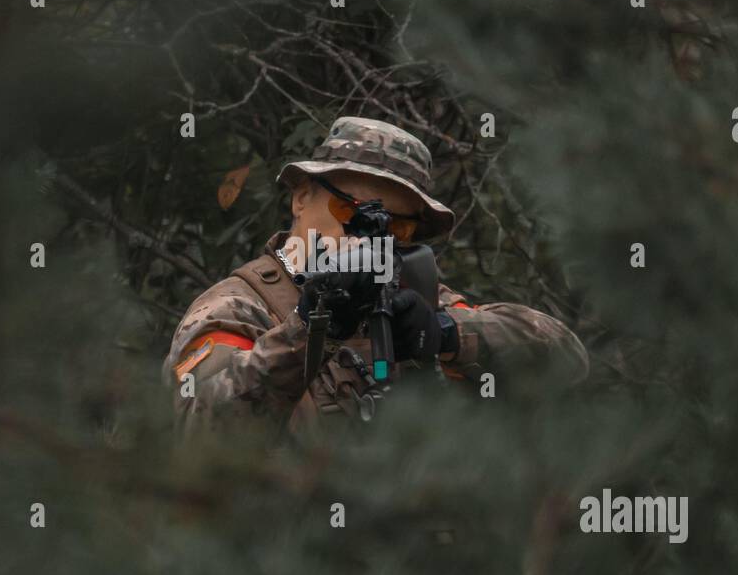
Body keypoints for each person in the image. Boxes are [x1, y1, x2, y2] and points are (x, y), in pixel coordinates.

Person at [162, 116, 588, 437]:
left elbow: (566, 360)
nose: (371, 238)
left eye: (396, 227)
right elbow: (198, 431)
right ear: (302, 198)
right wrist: (308, 331)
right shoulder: (239, 306)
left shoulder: (415, 295)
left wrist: (446, 334)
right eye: (352, 213)